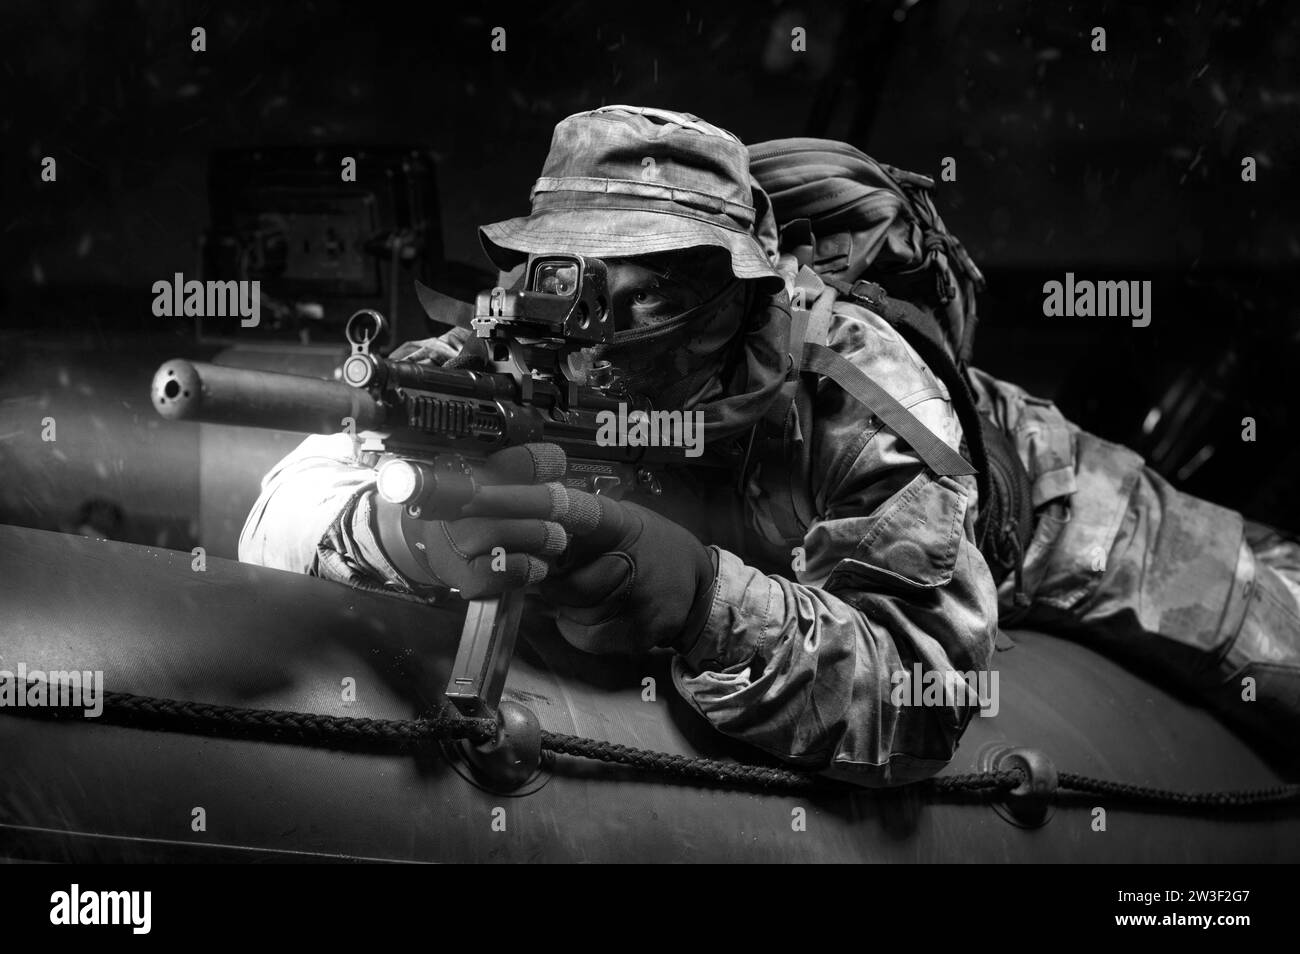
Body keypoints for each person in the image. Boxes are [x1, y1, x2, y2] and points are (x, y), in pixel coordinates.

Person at [239, 105, 1300, 784]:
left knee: (1276, 635)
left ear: (734, 293)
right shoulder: (520, 336)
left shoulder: (860, 385)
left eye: (646, 289)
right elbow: (281, 507)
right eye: (575, 277)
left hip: (1042, 505)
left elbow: (924, 694)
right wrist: (396, 533)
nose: (594, 334)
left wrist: (702, 599)